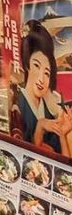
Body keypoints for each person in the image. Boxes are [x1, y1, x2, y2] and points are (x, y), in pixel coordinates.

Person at [11, 20, 72, 156]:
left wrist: (64, 133)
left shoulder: (50, 109)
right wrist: (40, 127)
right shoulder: (18, 106)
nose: (41, 79)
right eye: (36, 66)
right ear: (27, 65)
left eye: (46, 73)